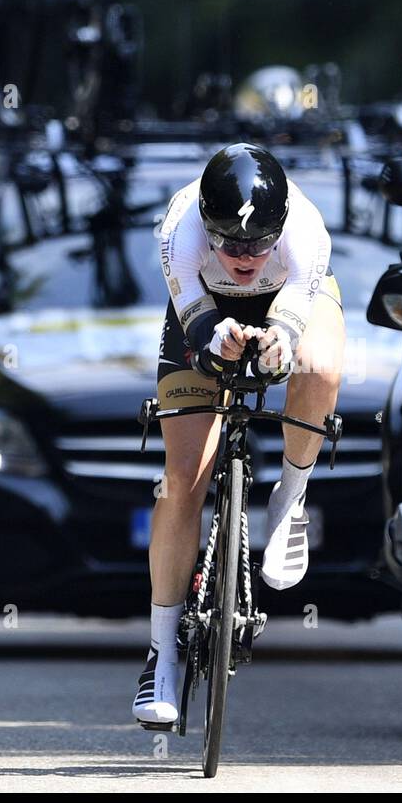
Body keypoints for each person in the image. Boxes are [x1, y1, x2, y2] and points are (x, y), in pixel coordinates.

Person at [133, 143, 346, 727]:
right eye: (228, 240)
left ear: (280, 228)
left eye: (257, 241)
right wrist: (214, 338)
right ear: (205, 225)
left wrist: (279, 345)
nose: (244, 254)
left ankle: (290, 497)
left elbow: (291, 324)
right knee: (183, 481)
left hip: (291, 299)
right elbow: (197, 325)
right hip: (206, 305)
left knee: (318, 367)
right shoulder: (179, 232)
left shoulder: (307, 234)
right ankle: (161, 651)